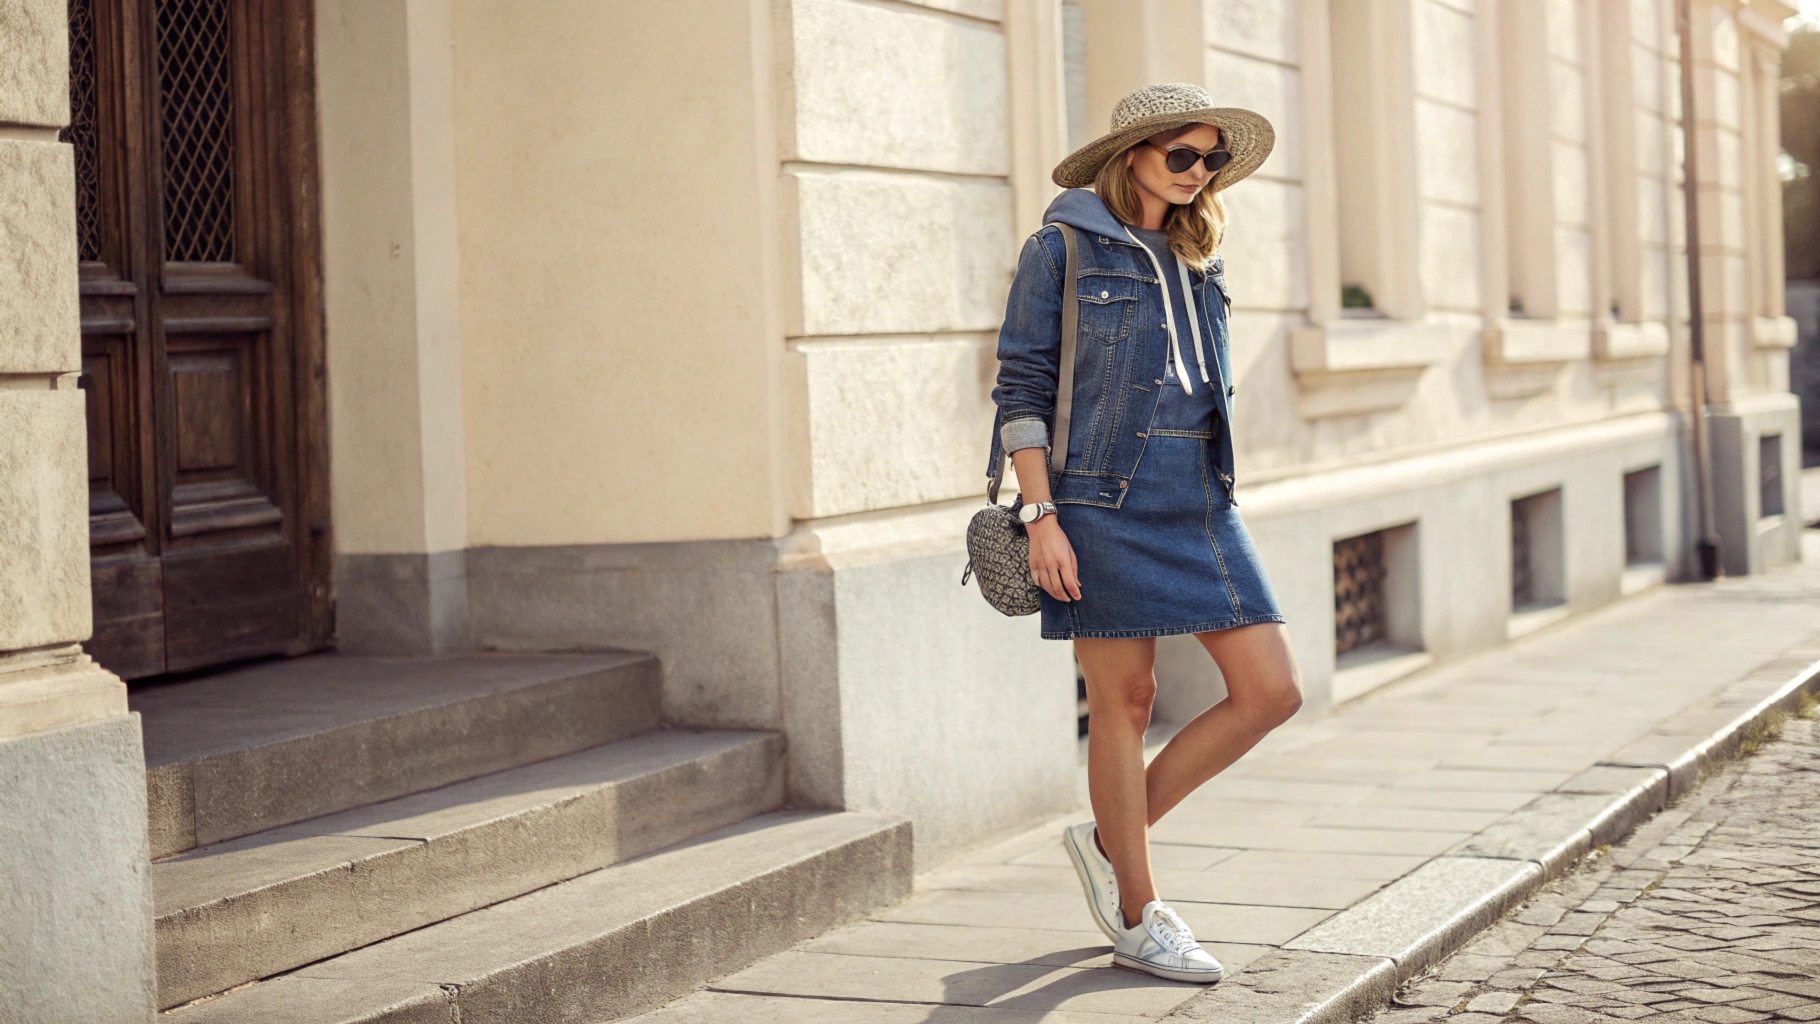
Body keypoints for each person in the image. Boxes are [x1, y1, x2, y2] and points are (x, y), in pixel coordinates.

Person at [989, 83, 1305, 984]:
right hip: (1098, 495)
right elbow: (1021, 386)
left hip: (1199, 494)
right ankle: (1138, 909)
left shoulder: (1197, 256)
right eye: (1184, 156)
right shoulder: (1061, 248)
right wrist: (1043, 513)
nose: (1201, 174)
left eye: (1212, 161)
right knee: (1125, 704)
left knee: (1270, 690)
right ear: (1133, 155)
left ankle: (1105, 840)